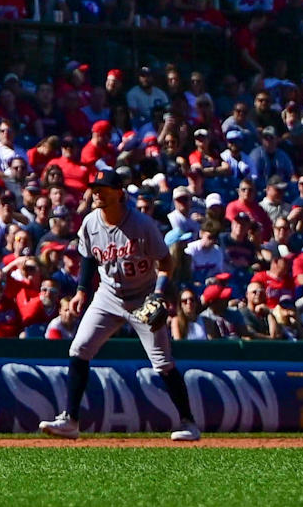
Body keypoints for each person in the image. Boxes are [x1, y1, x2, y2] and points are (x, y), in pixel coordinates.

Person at [39, 175, 198, 440]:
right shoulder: (90, 223)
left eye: (103, 189)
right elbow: (87, 257)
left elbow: (166, 262)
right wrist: (81, 291)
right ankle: (70, 420)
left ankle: (189, 422)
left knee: (162, 363)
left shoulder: (141, 224)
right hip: (108, 296)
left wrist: (158, 293)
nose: (96, 194)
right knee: (79, 349)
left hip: (143, 296)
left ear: (119, 193)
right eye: (94, 189)